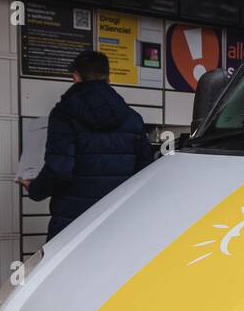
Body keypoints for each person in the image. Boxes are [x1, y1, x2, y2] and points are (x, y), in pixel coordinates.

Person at [18, 50, 152, 240]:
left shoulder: (63, 115)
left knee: (68, 269)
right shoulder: (133, 119)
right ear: (108, 78)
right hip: (117, 220)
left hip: (73, 221)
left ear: (76, 76)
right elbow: (144, 172)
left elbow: (59, 169)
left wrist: (34, 189)